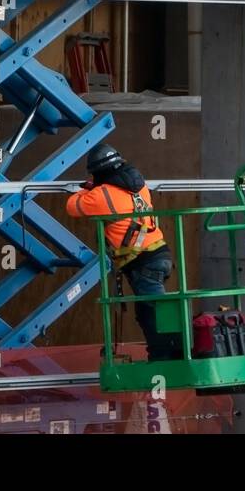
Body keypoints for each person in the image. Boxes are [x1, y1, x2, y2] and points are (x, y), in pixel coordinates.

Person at [66, 143, 177, 359]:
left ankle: (168, 356)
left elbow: (72, 206)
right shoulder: (140, 186)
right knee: (148, 310)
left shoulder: (101, 195)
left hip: (142, 261)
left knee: (154, 311)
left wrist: (87, 189)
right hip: (161, 253)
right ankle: (163, 352)